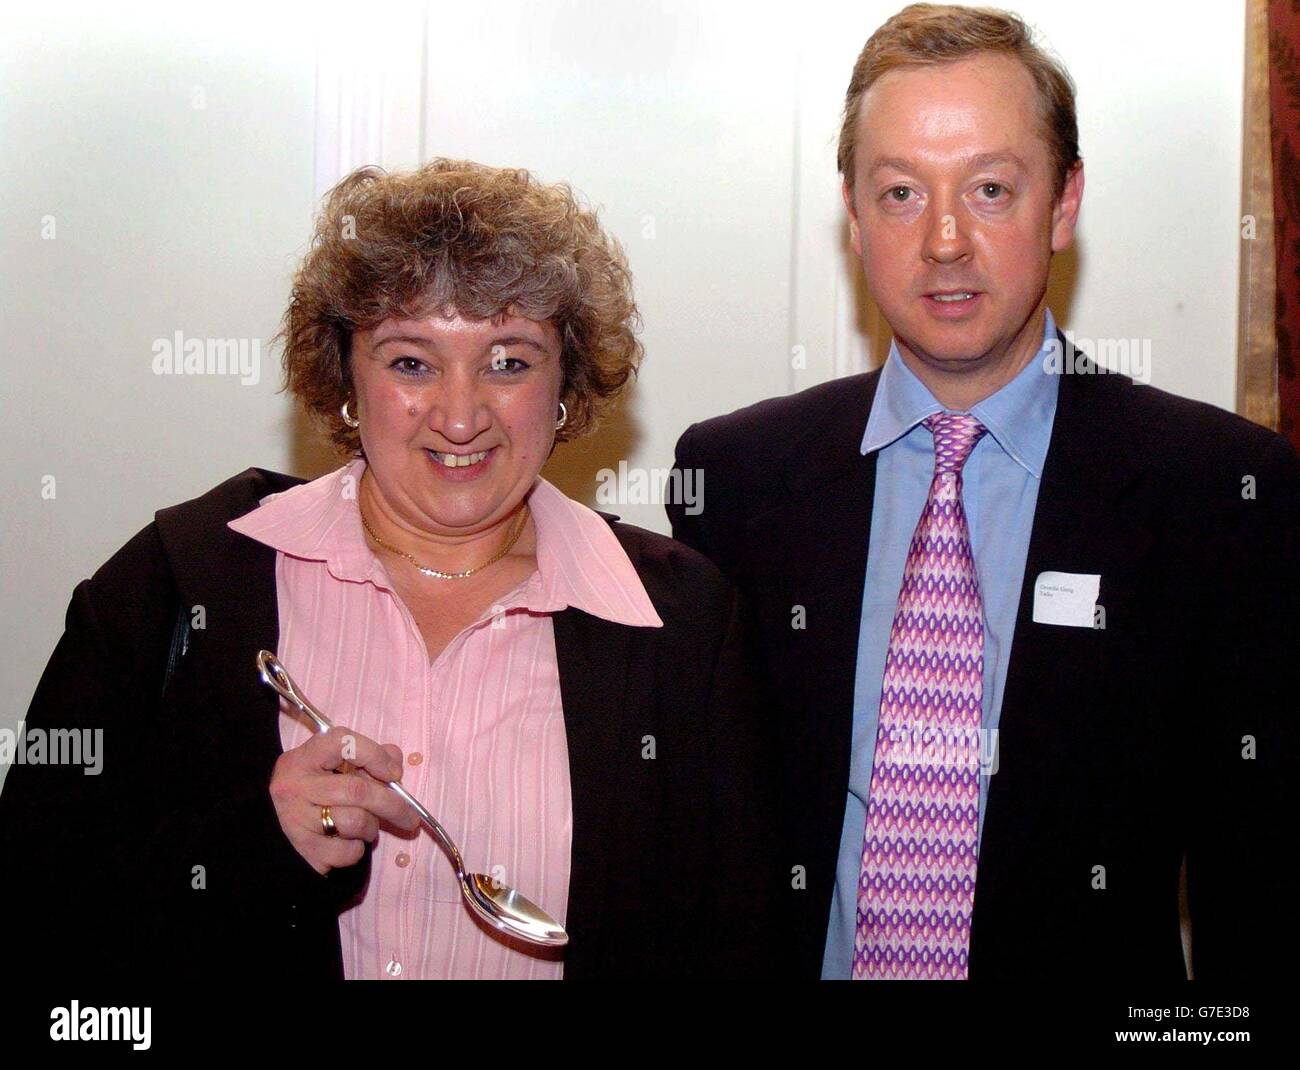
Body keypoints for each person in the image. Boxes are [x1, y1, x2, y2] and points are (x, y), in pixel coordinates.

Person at [0, 158, 773, 981]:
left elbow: (739, 949)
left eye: (509, 361)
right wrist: (257, 847)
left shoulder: (681, 620)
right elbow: (36, 914)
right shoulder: (176, 583)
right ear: (344, 378)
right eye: (411, 362)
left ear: (566, 387)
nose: (460, 413)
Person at [668, 3, 1300, 981]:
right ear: (852, 214)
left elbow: (1259, 888)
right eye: (900, 194)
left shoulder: (1218, 493)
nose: (946, 241)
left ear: (1063, 203)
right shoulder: (737, 481)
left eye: (992, 189)